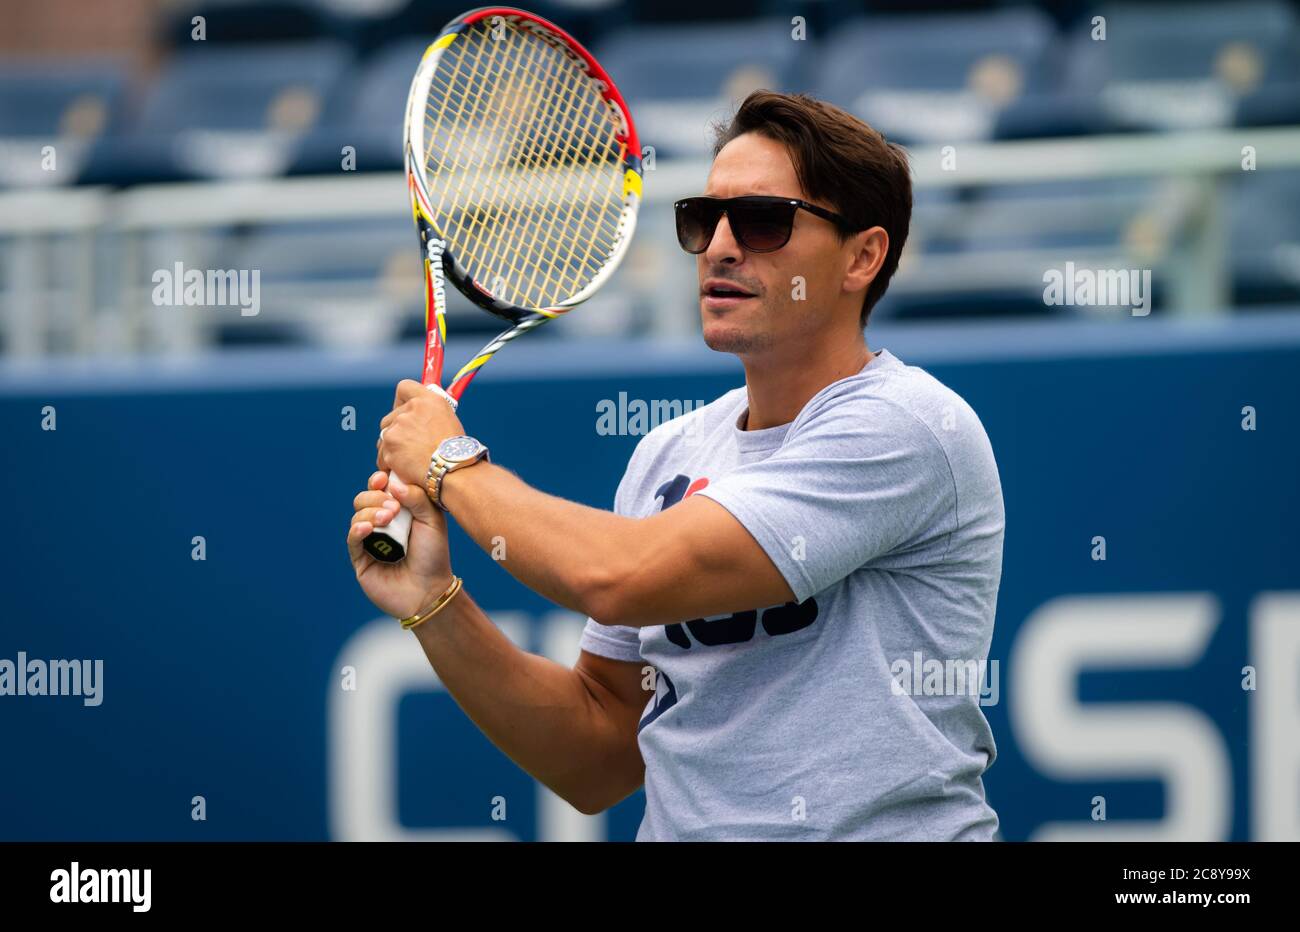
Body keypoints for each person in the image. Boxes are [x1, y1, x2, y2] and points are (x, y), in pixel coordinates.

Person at [348, 90, 1005, 840]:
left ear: (863, 256)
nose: (721, 245)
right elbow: (598, 758)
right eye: (704, 218)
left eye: (763, 220)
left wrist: (448, 461)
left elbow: (619, 576)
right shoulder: (668, 452)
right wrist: (435, 603)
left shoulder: (907, 426)